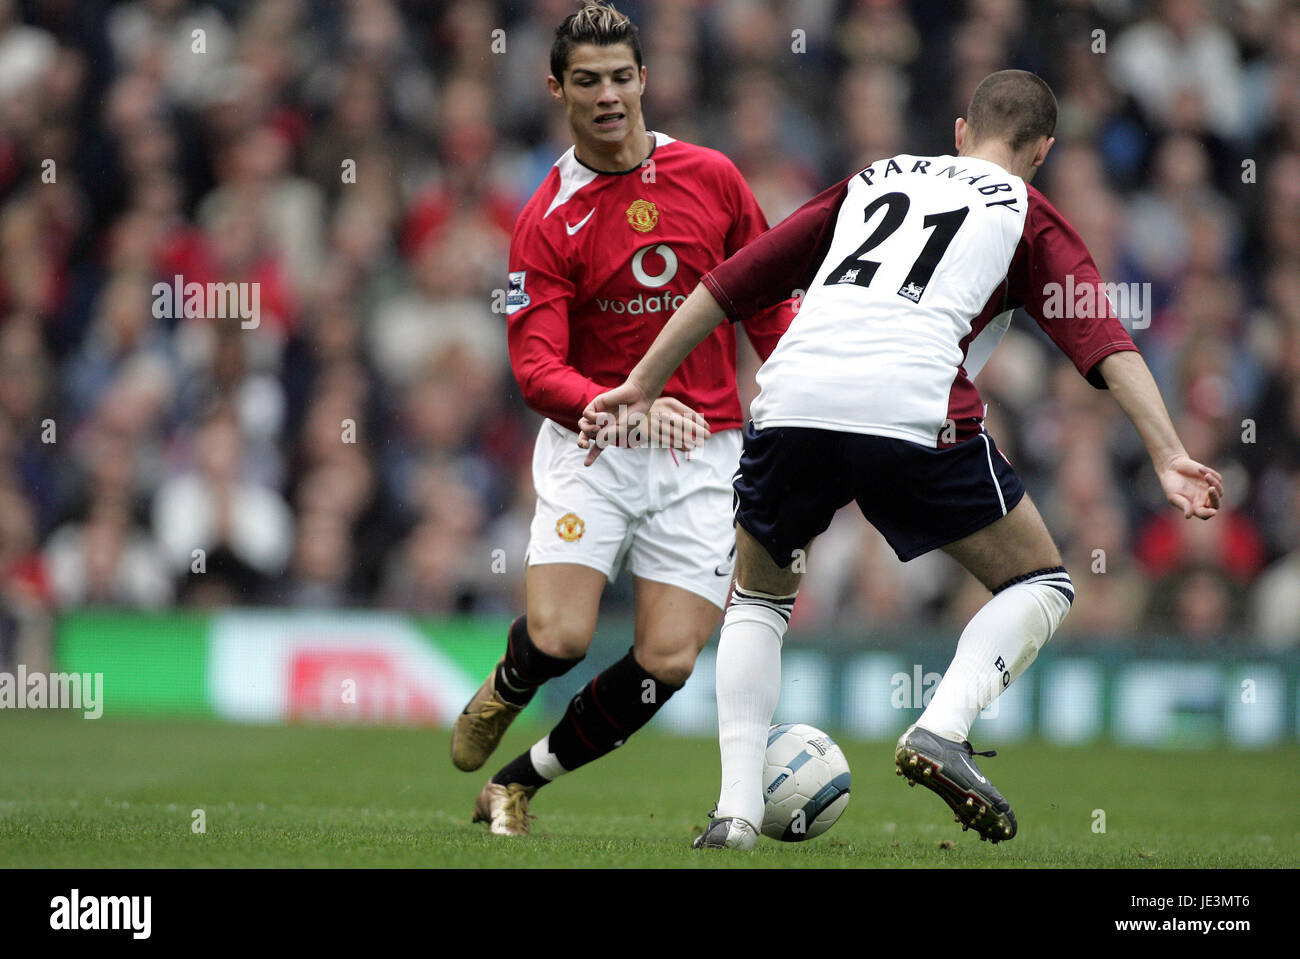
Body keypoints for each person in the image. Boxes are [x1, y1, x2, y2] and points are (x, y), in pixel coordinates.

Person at [579, 70, 1224, 848]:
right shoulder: (1027, 211)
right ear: (1042, 151)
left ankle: (736, 817)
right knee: (1041, 581)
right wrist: (1169, 453)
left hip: (791, 397)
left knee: (758, 595)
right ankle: (942, 729)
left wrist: (640, 382)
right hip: (908, 406)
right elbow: (1104, 341)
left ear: (959, 131)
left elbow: (729, 282)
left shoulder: (874, 177)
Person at [452, 1, 792, 836]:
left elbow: (770, 309)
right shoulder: (546, 218)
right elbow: (534, 367)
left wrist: (788, 396)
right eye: (587, 81)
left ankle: (517, 782)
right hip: (595, 446)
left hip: (704, 453)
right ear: (556, 90)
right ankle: (511, 679)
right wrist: (621, 404)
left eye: (619, 78)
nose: (607, 96)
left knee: (669, 659)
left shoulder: (714, 179)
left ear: (644, 79)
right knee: (562, 637)